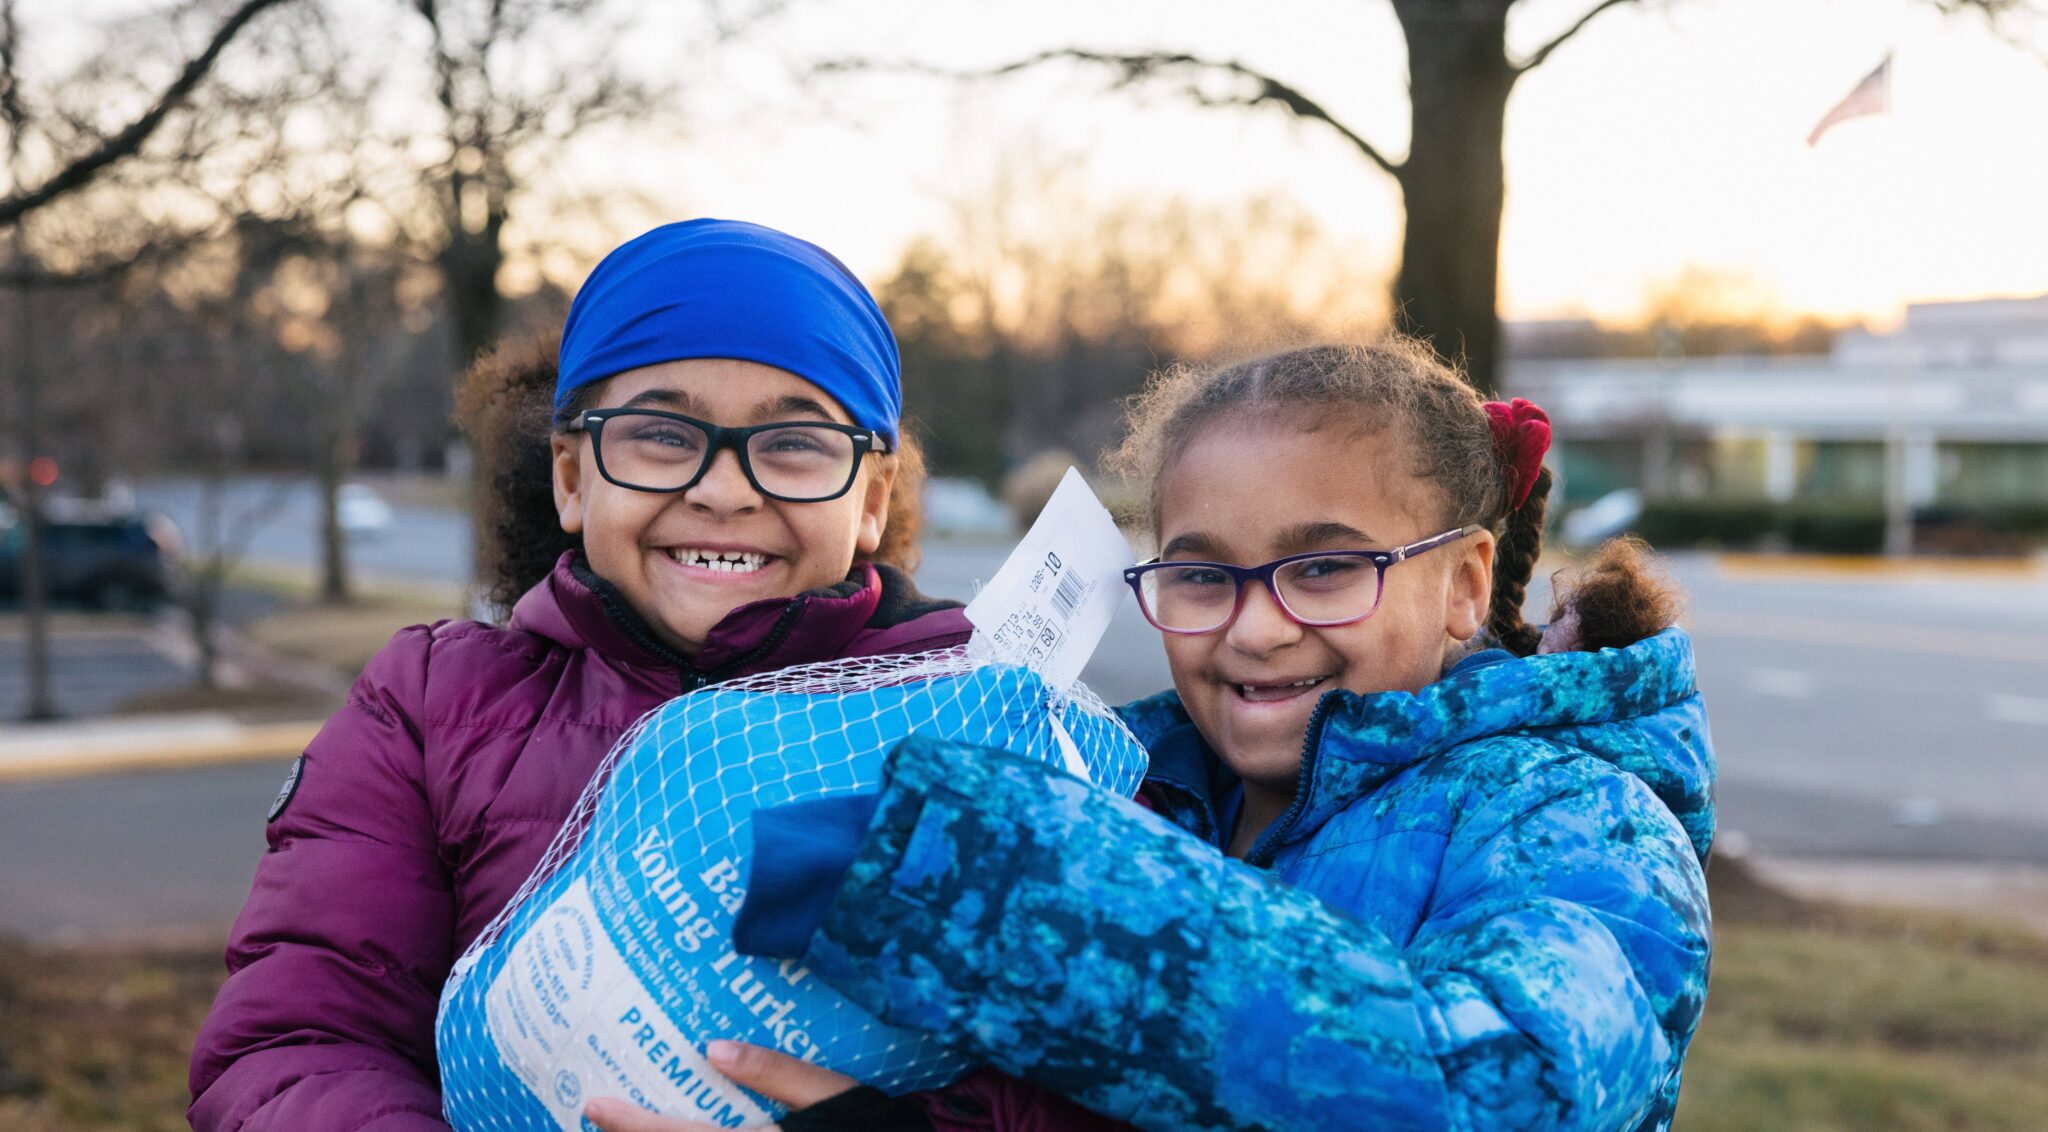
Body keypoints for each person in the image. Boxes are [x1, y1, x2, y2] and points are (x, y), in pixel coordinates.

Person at [186, 219, 1068, 1132]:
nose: (724, 491)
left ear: (871, 499)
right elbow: (294, 1044)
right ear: (573, 477)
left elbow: (1093, 1080)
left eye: (795, 444)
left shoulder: (982, 734)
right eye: (661, 434)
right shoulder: (430, 709)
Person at [719, 338, 1715, 1131]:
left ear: (1461, 583)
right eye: (1202, 575)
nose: (1253, 626)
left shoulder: (1580, 815)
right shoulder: (1135, 791)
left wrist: (988, 878)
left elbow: (1503, 1088)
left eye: (1323, 568)